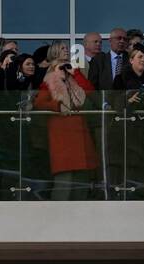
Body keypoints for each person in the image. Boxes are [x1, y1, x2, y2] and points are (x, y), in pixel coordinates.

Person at [33, 56, 95, 200]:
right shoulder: (48, 83)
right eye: (60, 67)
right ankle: (58, 216)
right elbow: (39, 104)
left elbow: (90, 91)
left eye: (66, 66)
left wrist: (76, 73)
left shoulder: (74, 82)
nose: (64, 69)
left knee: (82, 183)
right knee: (64, 182)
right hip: (62, 137)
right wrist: (57, 106)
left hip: (80, 136)